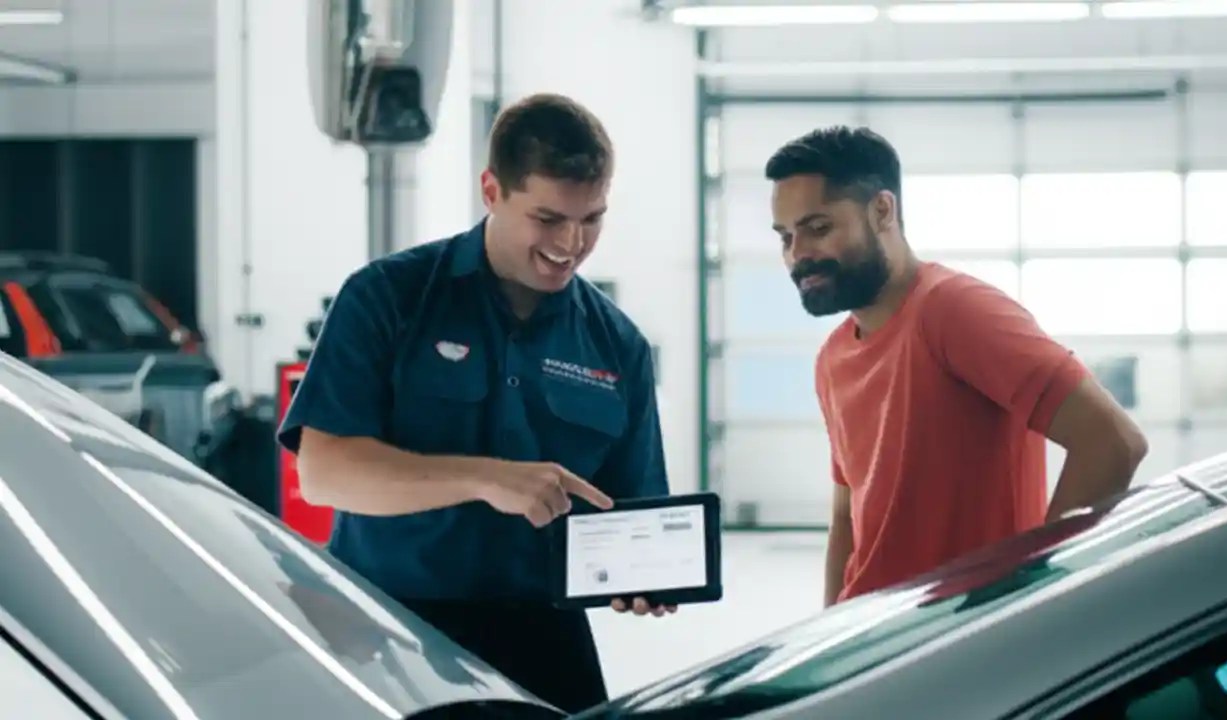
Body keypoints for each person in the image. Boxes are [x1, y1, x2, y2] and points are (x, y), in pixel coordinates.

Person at [277, 92, 673, 713]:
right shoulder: (388, 298)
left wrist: (646, 573)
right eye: (548, 218)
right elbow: (324, 474)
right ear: (491, 191)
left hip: (542, 641)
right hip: (387, 629)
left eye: (592, 218)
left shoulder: (617, 344)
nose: (571, 243)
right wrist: (486, 479)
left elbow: (629, 507)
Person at [763, 125, 1150, 608]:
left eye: (818, 228)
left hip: (956, 641)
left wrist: (1035, 590)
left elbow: (1113, 442)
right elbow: (847, 514)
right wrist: (828, 628)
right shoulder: (833, 358)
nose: (798, 255)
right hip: (870, 637)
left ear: (882, 211)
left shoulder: (954, 310)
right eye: (785, 237)